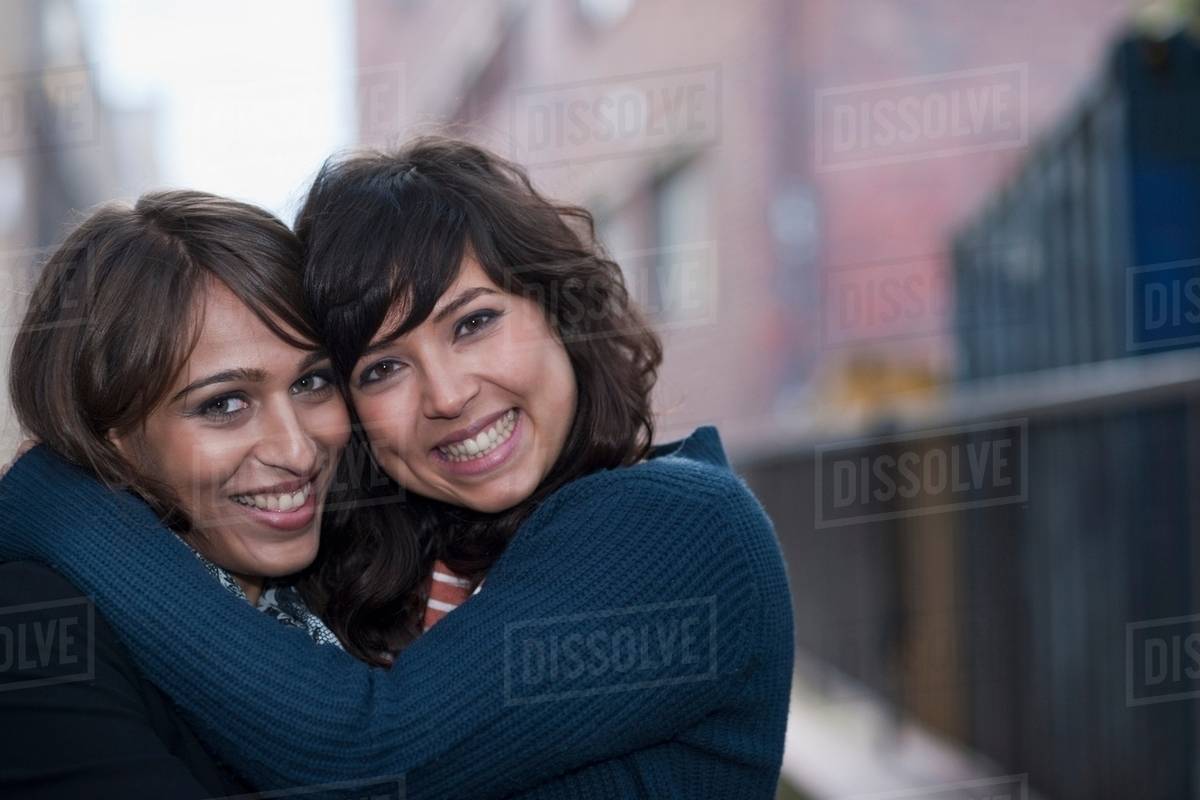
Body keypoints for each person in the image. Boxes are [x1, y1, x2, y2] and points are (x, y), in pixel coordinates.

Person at [0, 138, 795, 799]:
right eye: (381, 368)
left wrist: (58, 500)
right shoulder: (377, 570)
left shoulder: (684, 529)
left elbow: (366, 751)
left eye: (474, 323)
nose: (448, 395)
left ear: (561, 312)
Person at [0, 190, 349, 798]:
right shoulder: (39, 625)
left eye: (312, 382)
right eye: (225, 404)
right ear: (111, 439)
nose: (297, 451)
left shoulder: (356, 579)